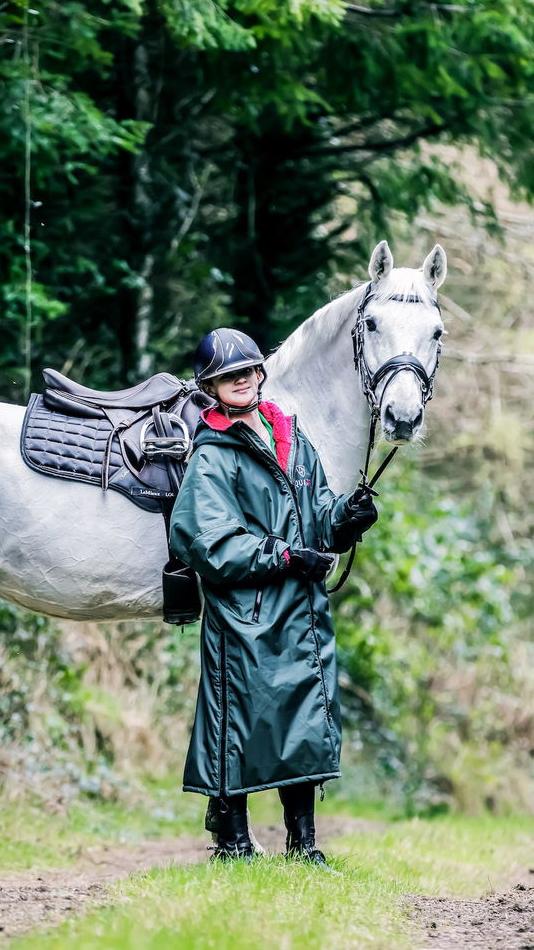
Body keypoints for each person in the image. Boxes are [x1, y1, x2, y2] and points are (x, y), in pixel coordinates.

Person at [168, 327, 379, 864]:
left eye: (247, 370)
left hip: (302, 614)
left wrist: (345, 521)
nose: (240, 380)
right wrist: (285, 556)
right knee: (235, 722)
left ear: (260, 373)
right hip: (245, 614)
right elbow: (207, 542)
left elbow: (319, 513)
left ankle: (304, 845)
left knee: (305, 723)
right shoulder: (211, 455)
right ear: (210, 387)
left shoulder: (291, 436)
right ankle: (234, 843)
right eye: (226, 376)